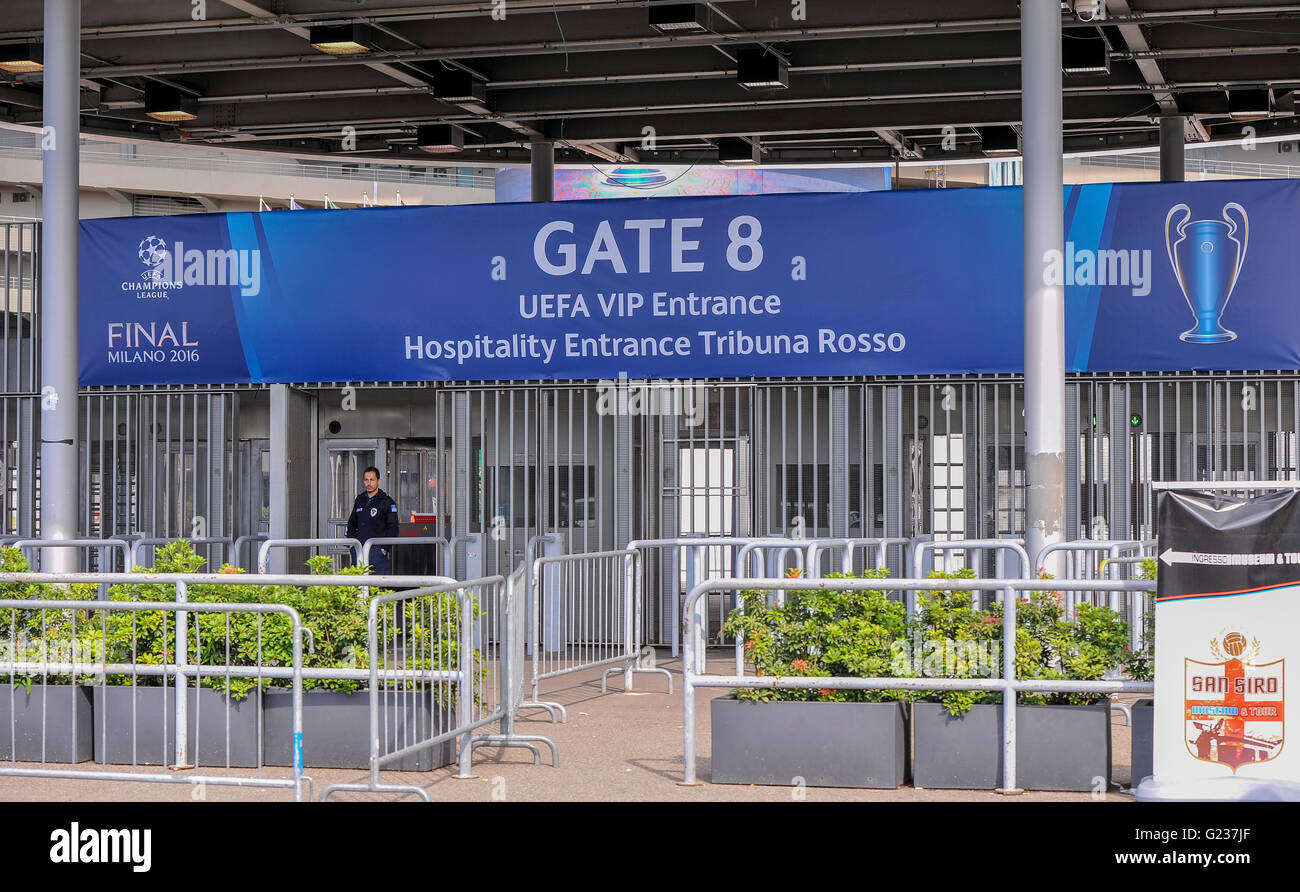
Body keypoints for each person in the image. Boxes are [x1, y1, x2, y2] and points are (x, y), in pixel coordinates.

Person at [346, 466, 399, 575]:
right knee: (358, 587)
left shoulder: (386, 501)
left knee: (379, 588)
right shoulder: (360, 500)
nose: (368, 483)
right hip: (359, 549)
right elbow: (351, 522)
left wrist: (384, 548)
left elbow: (393, 527)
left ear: (378, 481)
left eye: (372, 480)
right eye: (366, 480)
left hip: (377, 551)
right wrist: (352, 544)